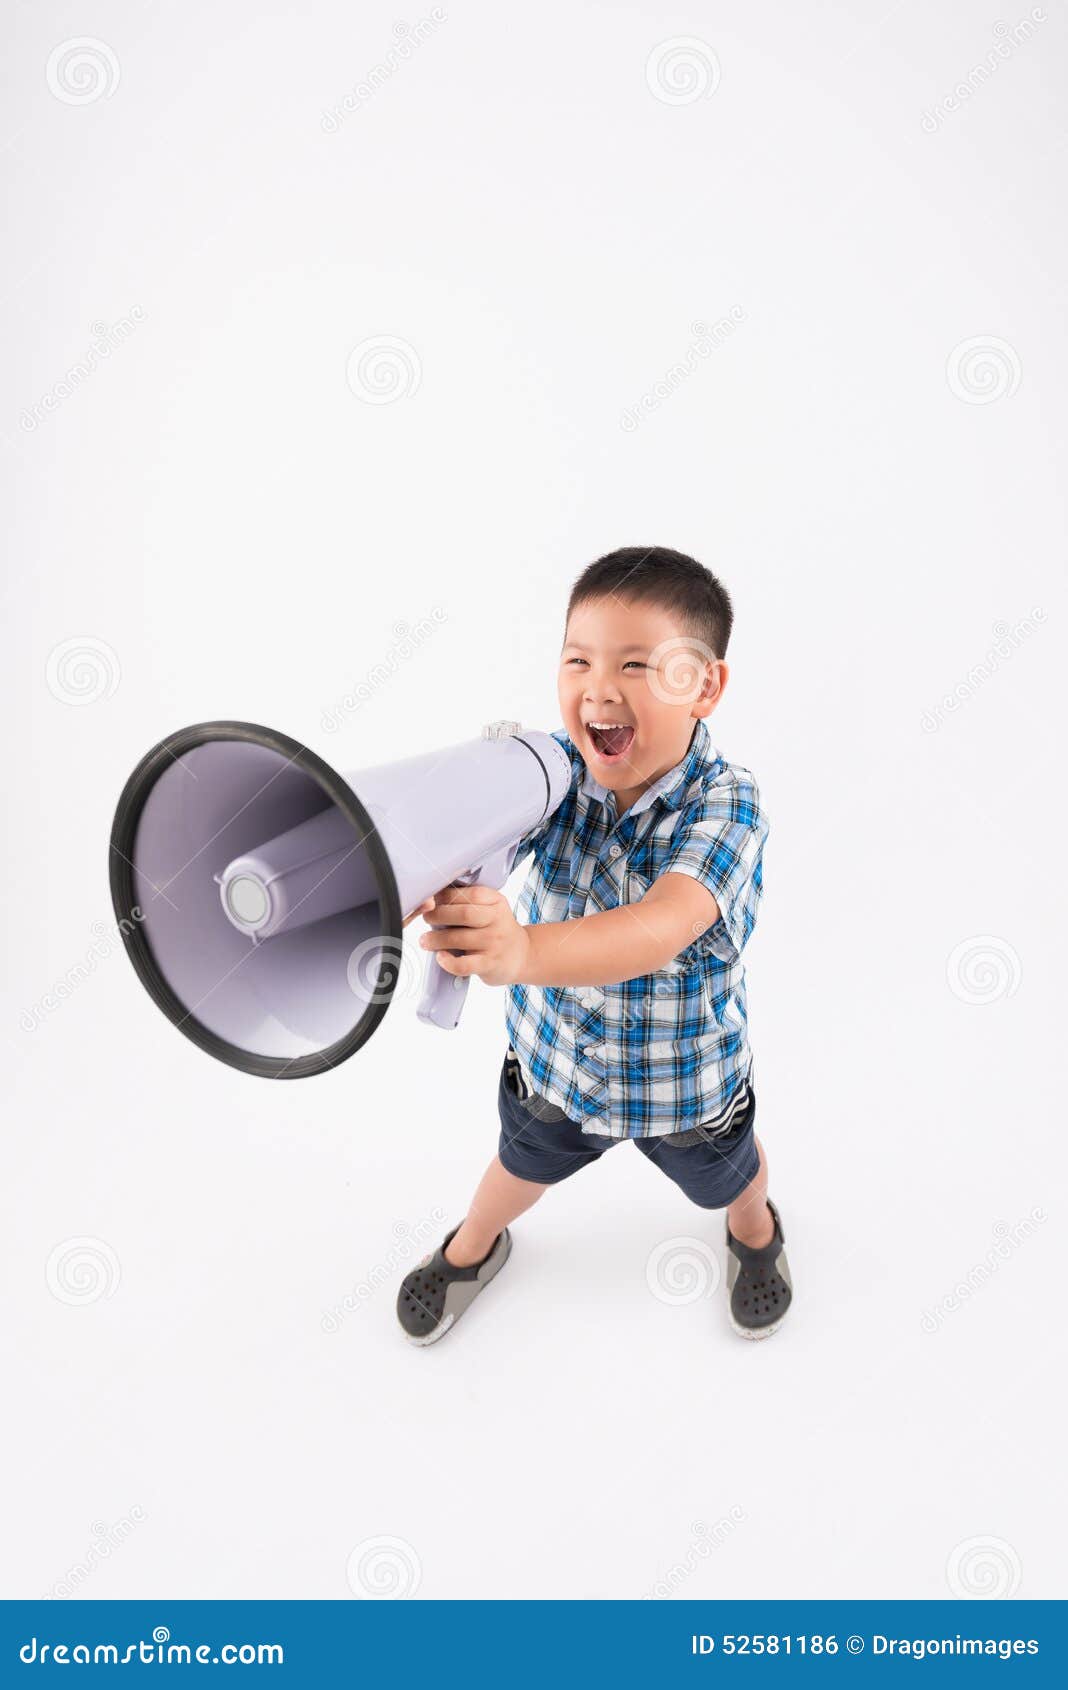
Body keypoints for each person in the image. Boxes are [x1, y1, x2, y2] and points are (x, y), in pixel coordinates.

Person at [397, 546, 792, 1345]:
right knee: (514, 1169)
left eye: (637, 664)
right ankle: (474, 1247)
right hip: (559, 1068)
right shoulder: (554, 771)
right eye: (578, 660)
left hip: (684, 1085)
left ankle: (756, 1232)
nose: (598, 688)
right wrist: (415, 873)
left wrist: (518, 954)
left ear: (706, 687)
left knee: (730, 1180)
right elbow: (460, 830)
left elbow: (660, 926)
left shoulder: (731, 804)